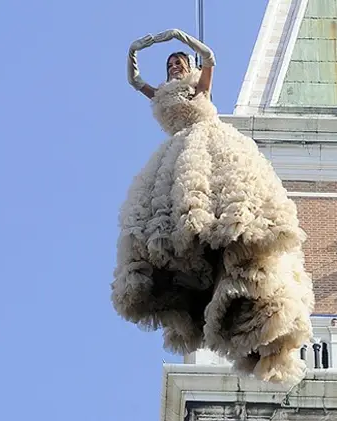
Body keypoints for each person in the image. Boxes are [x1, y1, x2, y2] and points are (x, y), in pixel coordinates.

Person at [112, 28, 315, 386]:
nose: (175, 65)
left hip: (210, 142)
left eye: (179, 61)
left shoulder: (198, 86)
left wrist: (184, 40)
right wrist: (136, 48)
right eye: (171, 62)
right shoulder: (161, 93)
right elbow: (135, 80)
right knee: (176, 214)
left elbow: (210, 60)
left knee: (226, 201)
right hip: (178, 153)